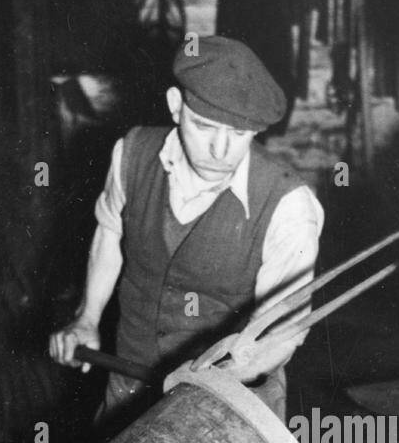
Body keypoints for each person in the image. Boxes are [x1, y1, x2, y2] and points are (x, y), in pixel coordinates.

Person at [49, 36, 323, 423]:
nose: (220, 150)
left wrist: (215, 381)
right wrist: (87, 318)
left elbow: (281, 331)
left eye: (239, 135)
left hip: (233, 410)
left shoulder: (288, 204)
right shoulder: (132, 154)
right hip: (128, 387)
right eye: (206, 127)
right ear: (176, 106)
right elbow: (109, 232)